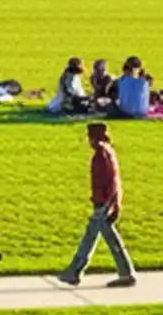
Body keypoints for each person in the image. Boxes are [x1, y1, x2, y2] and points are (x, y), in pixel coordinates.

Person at [57, 123, 137, 288]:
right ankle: (75, 272)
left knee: (97, 238)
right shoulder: (108, 151)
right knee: (97, 237)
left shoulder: (101, 154)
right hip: (106, 202)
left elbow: (106, 181)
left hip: (103, 204)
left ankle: (75, 272)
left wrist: (105, 203)